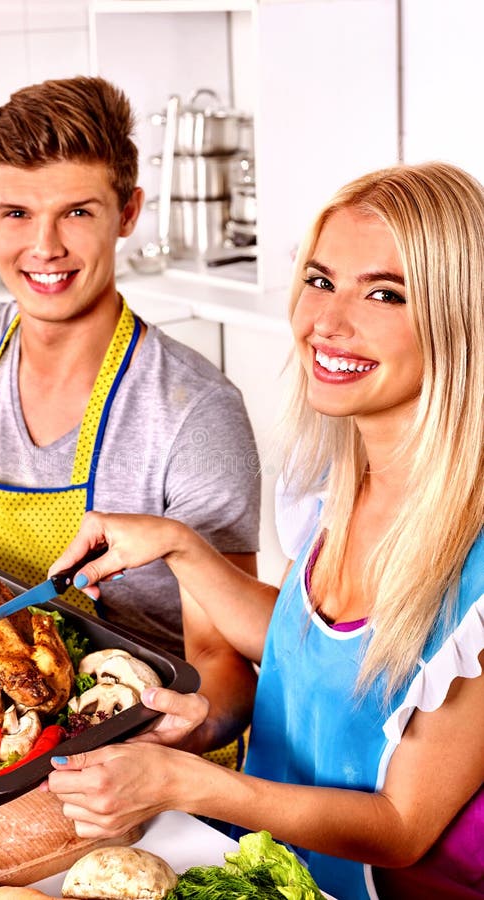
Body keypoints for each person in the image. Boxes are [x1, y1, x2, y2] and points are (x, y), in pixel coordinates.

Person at [41, 162, 484, 900]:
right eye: (318, 280)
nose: (327, 322)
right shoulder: (337, 479)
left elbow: (403, 825)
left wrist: (186, 783)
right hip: (268, 874)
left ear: (460, 318)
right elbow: (309, 646)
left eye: (383, 293)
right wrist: (180, 545)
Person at [0, 76, 261, 761]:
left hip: (139, 745)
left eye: (76, 213)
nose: (44, 248)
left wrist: (183, 731)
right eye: (16, 214)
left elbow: (222, 662)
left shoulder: (192, 411)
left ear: (127, 212)